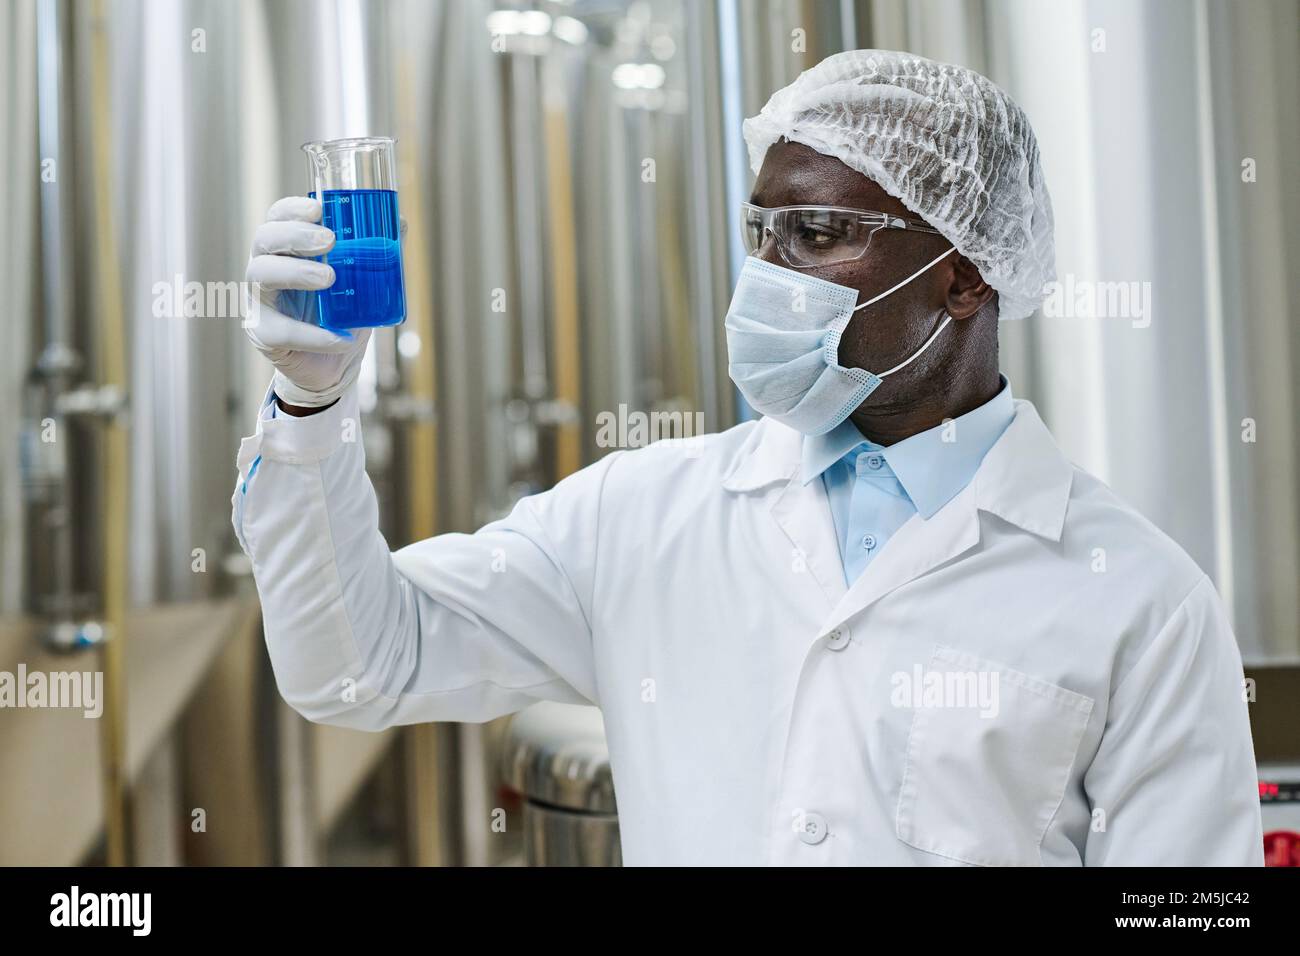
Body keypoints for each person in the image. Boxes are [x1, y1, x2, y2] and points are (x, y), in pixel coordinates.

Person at [233, 50, 1263, 866]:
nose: (770, 276)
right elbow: (358, 666)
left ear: (960, 278)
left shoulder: (1137, 598)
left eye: (818, 233)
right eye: (761, 232)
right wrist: (309, 406)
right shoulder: (644, 513)